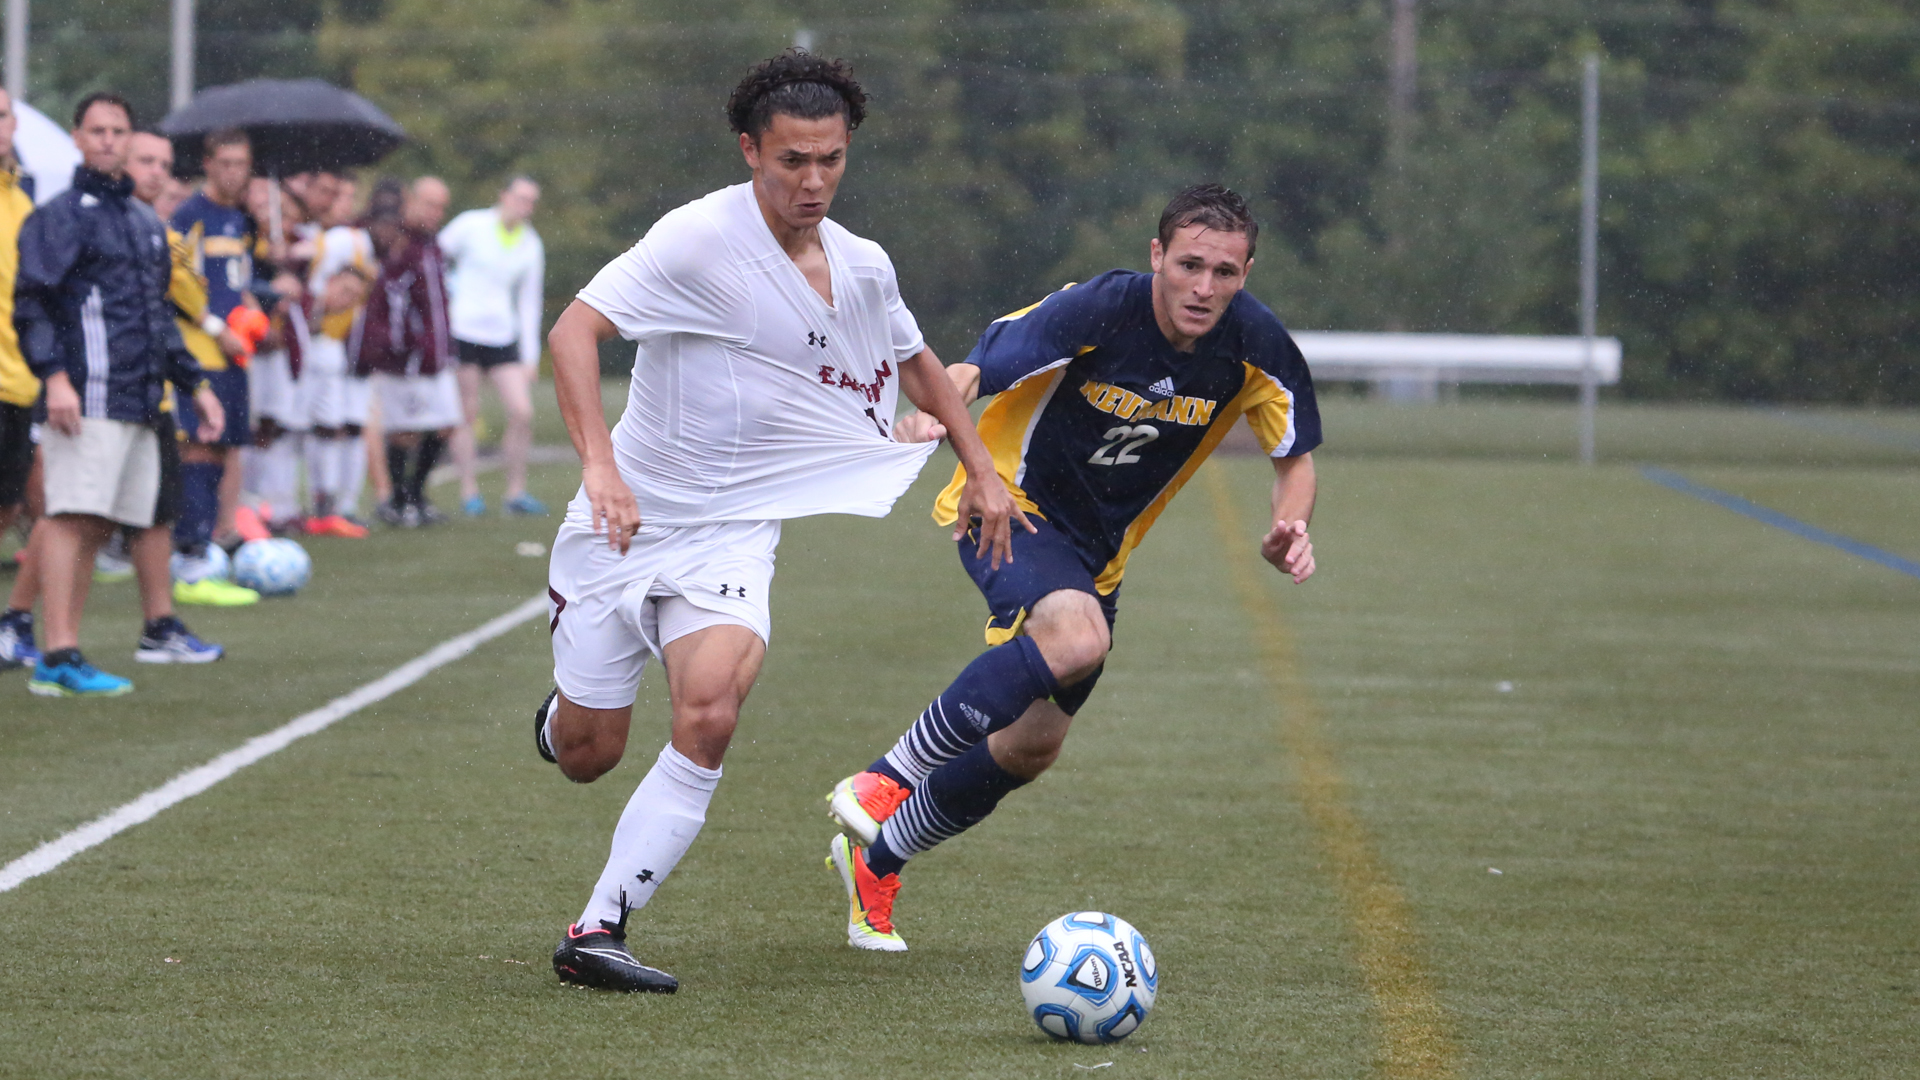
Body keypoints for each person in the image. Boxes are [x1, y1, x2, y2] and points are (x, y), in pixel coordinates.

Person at [533, 49, 1022, 994]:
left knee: (711, 707)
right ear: (750, 150)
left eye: (831, 160)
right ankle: (558, 722)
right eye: (793, 160)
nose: (813, 181)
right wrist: (599, 465)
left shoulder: (863, 266)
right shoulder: (694, 240)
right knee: (590, 755)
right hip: (624, 523)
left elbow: (917, 361)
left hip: (734, 532)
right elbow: (573, 332)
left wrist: (980, 467)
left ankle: (597, 928)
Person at [820, 184, 1322, 951]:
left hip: (1099, 559)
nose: (1203, 286)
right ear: (1157, 255)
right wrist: (931, 415)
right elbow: (973, 369)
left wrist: (1292, 523)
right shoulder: (1098, 309)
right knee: (1079, 639)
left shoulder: (1255, 344)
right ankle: (884, 778)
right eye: (1188, 264)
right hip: (1005, 505)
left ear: (1246, 272)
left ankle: (878, 860)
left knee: (1030, 747)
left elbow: (1295, 456)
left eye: (1224, 271)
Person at [13, 93, 224, 696]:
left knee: (100, 523)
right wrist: (54, 378)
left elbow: (157, 318)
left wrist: (195, 385)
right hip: (87, 393)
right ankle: (56, 651)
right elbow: (33, 303)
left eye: (119, 131)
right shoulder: (61, 214)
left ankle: (66, 649)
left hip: (138, 396)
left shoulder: (140, 221)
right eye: (98, 130)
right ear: (78, 137)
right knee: (68, 515)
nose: (108, 140)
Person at [169, 128, 257, 582]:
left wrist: (252, 310)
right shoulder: (190, 215)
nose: (233, 172)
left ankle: (212, 538)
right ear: (207, 164)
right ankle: (189, 550)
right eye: (225, 162)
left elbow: (236, 281)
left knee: (223, 448)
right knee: (200, 446)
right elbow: (173, 282)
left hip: (234, 354)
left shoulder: (239, 220)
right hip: (202, 349)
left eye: (241, 163)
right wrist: (214, 326)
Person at [350, 180, 459, 526]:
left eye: (441, 207)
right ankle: (398, 500)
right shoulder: (395, 242)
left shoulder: (432, 245)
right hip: (406, 358)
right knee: (404, 430)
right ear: (410, 201)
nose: (434, 214)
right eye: (428, 204)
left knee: (445, 425)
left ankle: (415, 493)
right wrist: (397, 344)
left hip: (435, 354)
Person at [440, 175, 547, 517]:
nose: (524, 206)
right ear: (503, 195)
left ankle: (515, 492)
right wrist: (451, 292)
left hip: (503, 336)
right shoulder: (471, 224)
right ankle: (469, 491)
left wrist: (530, 356)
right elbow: (434, 258)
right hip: (464, 332)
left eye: (530, 201)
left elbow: (530, 303)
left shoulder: (531, 244)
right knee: (467, 413)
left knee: (521, 411)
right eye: (519, 197)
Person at [0, 86, 41, 670]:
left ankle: (15, 622)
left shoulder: (23, 204)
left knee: (32, 509)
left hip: (22, 382)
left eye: (3, 114)